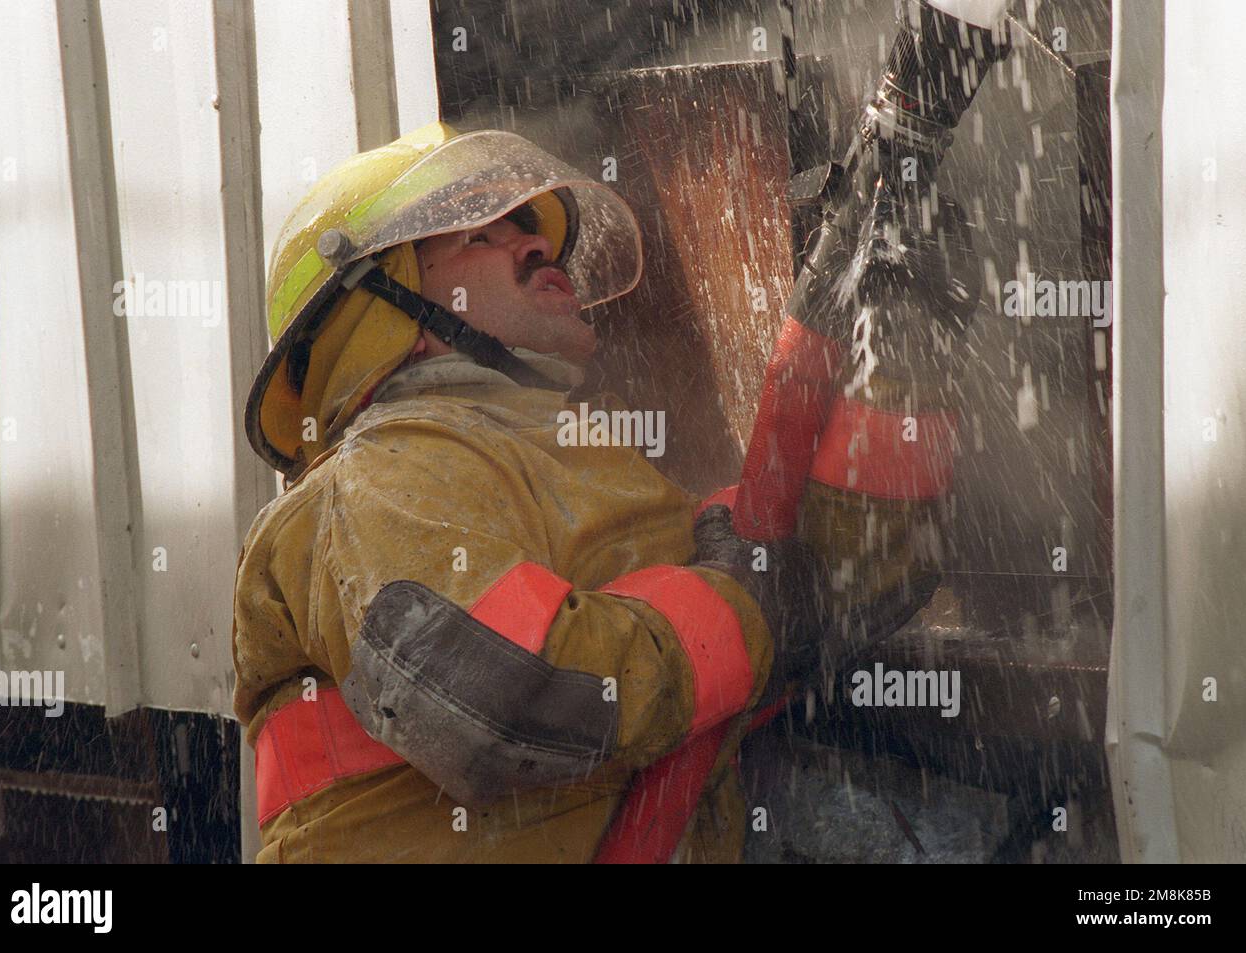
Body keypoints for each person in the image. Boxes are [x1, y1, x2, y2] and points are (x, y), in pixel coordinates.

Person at [234, 122, 828, 863]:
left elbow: (847, 569)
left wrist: (901, 354)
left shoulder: (580, 467)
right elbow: (498, 697)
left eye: (530, 225)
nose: (539, 244)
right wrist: (741, 613)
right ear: (382, 307)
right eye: (484, 232)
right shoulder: (383, 477)